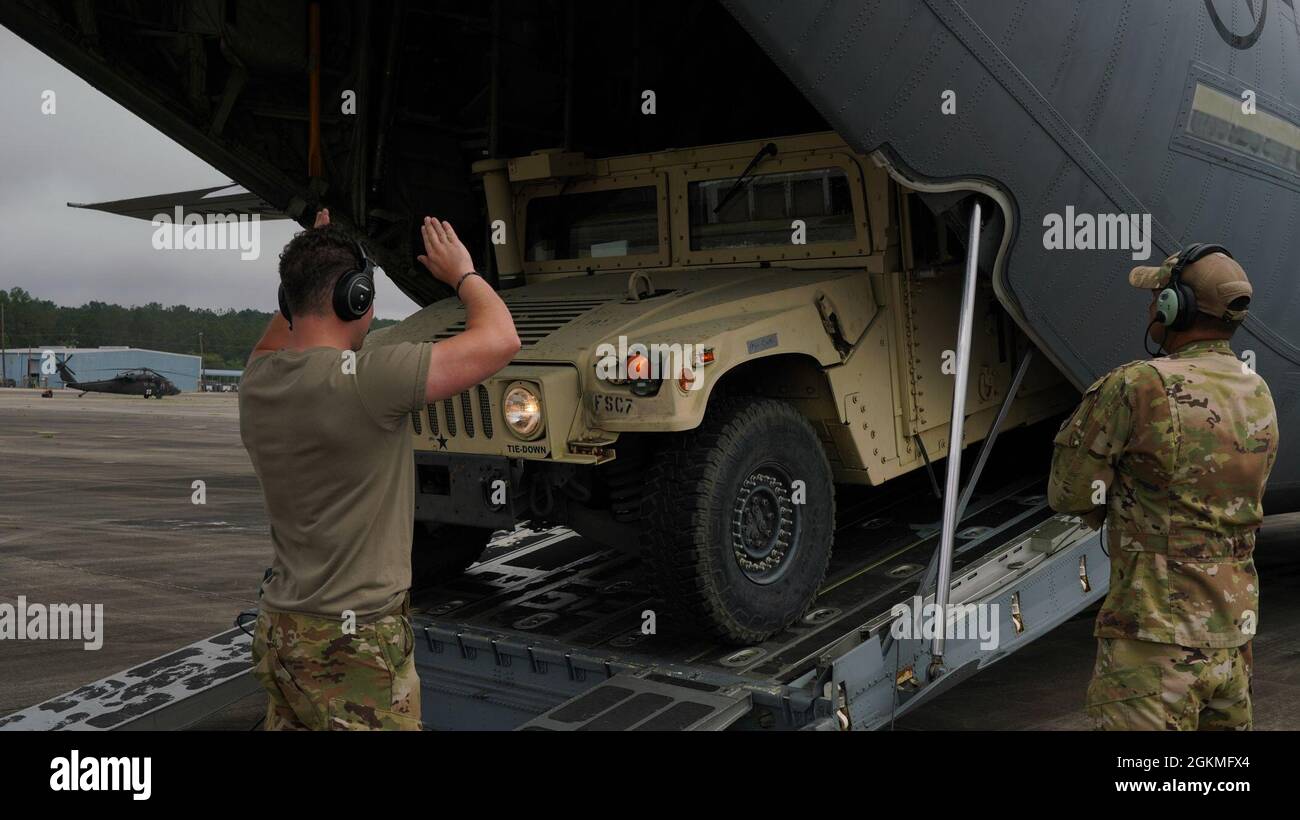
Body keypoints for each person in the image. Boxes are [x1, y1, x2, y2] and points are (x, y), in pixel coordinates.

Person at [238, 209, 519, 730]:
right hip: (354, 641)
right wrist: (463, 273)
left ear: (287, 301)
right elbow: (502, 339)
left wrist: (307, 264)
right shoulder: (368, 380)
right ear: (357, 299)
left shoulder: (258, 380)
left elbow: (282, 333)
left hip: (283, 626)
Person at [1048, 244, 1278, 731]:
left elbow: (1067, 493)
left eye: (1157, 298)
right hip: (1233, 641)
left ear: (1177, 308)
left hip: (1153, 643)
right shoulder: (1256, 390)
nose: (1151, 308)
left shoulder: (1138, 385)